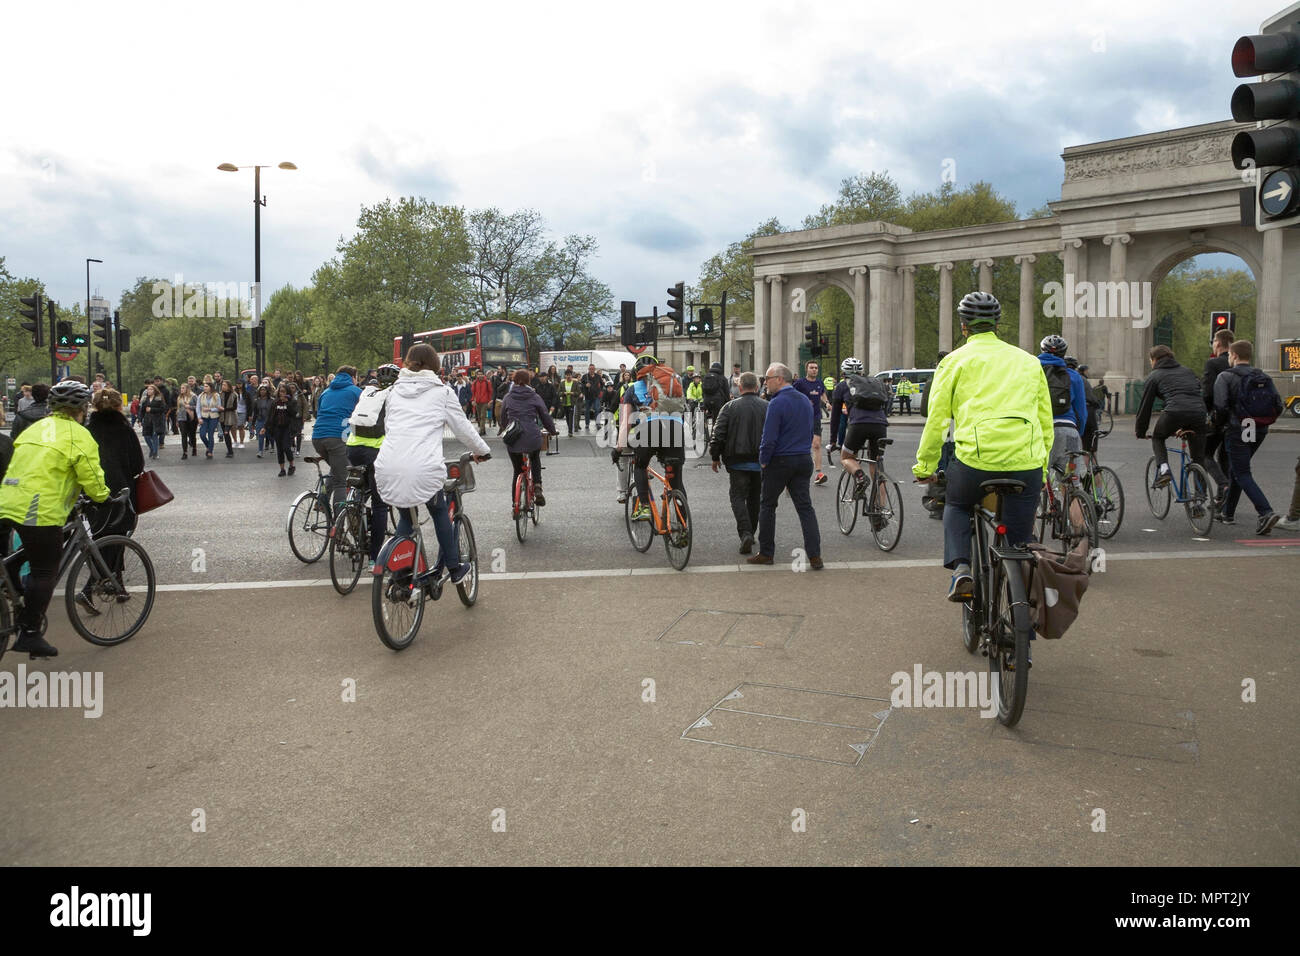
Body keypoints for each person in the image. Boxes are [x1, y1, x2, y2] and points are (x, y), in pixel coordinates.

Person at [913, 292, 1052, 601]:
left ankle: (962, 568)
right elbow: (1045, 425)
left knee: (957, 505)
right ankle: (1025, 607)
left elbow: (936, 422)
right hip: (1026, 464)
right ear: (997, 325)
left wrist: (925, 467)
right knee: (1020, 542)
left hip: (975, 462)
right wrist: (1040, 471)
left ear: (964, 327)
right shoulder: (1029, 361)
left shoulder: (953, 361)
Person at [0, 381, 114, 658]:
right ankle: (29, 632)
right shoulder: (78, 435)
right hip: (39, 508)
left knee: (24, 552)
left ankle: (11, 584)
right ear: (82, 409)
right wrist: (104, 498)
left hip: (7, 499)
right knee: (44, 571)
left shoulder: (35, 428)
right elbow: (91, 476)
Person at [374, 344, 490, 584]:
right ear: (436, 365)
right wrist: (482, 450)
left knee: (407, 517)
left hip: (388, 464)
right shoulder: (442, 392)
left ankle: (399, 573)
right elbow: (463, 429)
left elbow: (390, 427)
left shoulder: (393, 391)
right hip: (423, 467)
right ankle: (454, 567)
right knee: (438, 511)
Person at [748, 363, 823, 569]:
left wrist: (763, 460)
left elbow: (769, 437)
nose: (766, 383)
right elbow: (809, 431)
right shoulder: (805, 401)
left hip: (780, 460)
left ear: (780, 379)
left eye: (768, 379)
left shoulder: (777, 403)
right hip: (803, 458)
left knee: (768, 505)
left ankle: (766, 552)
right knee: (805, 507)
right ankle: (815, 556)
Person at [1213, 339, 1284, 534]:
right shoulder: (1263, 376)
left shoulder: (1225, 376)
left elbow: (1220, 406)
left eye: (1229, 355)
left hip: (1238, 427)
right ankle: (1227, 513)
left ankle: (1265, 512)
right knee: (1239, 469)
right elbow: (1278, 405)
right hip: (1258, 428)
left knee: (1242, 472)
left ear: (1234, 355)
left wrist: (1219, 426)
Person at [1135, 345, 1227, 494]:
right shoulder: (1188, 371)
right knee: (1199, 458)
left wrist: (1140, 431)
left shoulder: (1154, 375)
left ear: (1154, 360)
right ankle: (1199, 498)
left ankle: (1164, 470)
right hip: (1199, 412)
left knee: (1158, 438)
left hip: (1174, 412)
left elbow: (1145, 407)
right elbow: (1196, 391)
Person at [618, 355, 687, 521]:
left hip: (651, 426)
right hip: (675, 427)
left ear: (636, 373)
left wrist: (619, 448)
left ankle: (644, 507)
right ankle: (683, 524)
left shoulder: (633, 388)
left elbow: (626, 422)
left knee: (640, 466)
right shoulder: (672, 383)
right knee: (676, 479)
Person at [709, 371, 768, 554]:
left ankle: (745, 533)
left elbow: (718, 434)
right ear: (757, 387)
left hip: (736, 460)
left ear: (740, 387)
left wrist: (715, 456)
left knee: (737, 497)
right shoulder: (767, 407)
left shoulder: (729, 407)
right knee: (754, 499)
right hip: (759, 461)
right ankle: (751, 531)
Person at [346, 364, 400, 560]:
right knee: (380, 504)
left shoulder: (367, 392)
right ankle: (375, 557)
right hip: (375, 452)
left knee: (360, 489)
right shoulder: (393, 396)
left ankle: (354, 507)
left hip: (352, 447)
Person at [829, 357, 890, 525]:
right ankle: (879, 514)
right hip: (880, 425)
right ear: (862, 372)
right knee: (877, 468)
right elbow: (885, 406)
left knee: (846, 457)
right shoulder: (876, 383)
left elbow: (835, 417)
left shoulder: (842, 386)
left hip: (858, 425)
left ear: (843, 373)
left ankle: (860, 476)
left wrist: (833, 441)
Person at [500, 369, 558, 508]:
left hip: (513, 437)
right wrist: (552, 431)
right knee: (535, 458)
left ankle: (515, 504)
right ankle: (537, 487)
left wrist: (504, 427)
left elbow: (502, 418)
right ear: (528, 381)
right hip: (532, 435)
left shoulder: (508, 397)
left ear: (514, 380)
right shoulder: (534, 396)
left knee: (517, 470)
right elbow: (545, 416)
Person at [312, 366, 362, 511]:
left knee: (337, 468)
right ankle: (338, 522)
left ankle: (321, 502)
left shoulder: (326, 392)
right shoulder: (356, 392)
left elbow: (319, 412)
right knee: (341, 480)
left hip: (317, 437)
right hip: (337, 437)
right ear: (352, 377)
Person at [1037, 335, 1088, 477]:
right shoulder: (1074, 376)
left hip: (1042, 433)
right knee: (1071, 480)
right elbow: (1082, 412)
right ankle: (1074, 497)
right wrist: (1079, 432)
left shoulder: (1032, 371)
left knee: (1037, 481)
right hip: (1069, 431)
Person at [1201, 328, 1234, 495]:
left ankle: (1221, 485)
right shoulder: (1236, 362)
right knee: (1225, 458)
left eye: (1213, 341)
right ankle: (1224, 499)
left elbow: (1207, 393)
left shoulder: (1213, 363)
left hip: (1217, 416)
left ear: (1219, 343)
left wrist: (1204, 414)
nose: (1213, 344)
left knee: (1204, 453)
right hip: (1236, 418)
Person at [791, 360, 830, 485]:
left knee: (817, 445)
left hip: (815, 417)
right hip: (801, 417)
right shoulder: (800, 383)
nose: (814, 370)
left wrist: (827, 403)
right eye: (812, 368)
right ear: (806, 369)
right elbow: (792, 395)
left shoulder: (819, 383)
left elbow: (822, 394)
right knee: (800, 445)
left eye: (816, 368)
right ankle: (793, 472)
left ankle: (818, 474)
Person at [264, 384, 300, 476]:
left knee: (286, 447)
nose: (282, 393)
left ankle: (291, 465)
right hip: (277, 428)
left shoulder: (293, 402)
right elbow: (270, 416)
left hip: (288, 428)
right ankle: (282, 469)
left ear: (287, 392)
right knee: (279, 449)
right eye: (281, 391)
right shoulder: (275, 402)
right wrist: (265, 427)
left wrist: (287, 403)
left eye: (284, 391)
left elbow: (294, 413)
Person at [140, 384, 167, 459]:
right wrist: (139, 419)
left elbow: (163, 409)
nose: (149, 391)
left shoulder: (159, 398)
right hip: (147, 420)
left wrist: (152, 409)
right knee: (146, 436)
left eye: (151, 389)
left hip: (156, 419)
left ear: (155, 390)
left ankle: (155, 452)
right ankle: (152, 448)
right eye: (148, 389)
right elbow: (142, 410)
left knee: (154, 436)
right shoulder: (145, 399)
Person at [176, 383, 199, 459]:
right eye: (181, 388)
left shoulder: (193, 396)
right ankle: (184, 452)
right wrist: (177, 420)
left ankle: (194, 448)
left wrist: (190, 407)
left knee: (192, 435)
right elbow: (178, 408)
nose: (181, 389)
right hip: (181, 418)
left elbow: (198, 407)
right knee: (183, 435)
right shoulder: (180, 397)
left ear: (187, 389)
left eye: (183, 388)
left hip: (191, 417)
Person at [218, 380, 238, 457]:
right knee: (226, 435)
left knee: (226, 432)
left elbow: (234, 407)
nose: (223, 386)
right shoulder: (220, 394)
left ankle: (230, 451)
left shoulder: (234, 395)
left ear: (229, 386)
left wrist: (224, 409)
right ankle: (230, 451)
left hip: (230, 416)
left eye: (224, 385)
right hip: (222, 417)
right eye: (222, 385)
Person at [581, 365, 604, 433]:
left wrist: (599, 390)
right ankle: (587, 424)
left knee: (597, 409)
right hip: (588, 396)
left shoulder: (598, 376)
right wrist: (585, 385)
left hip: (596, 396)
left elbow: (602, 384)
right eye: (590, 369)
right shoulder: (585, 376)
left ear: (595, 369)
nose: (592, 370)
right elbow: (581, 385)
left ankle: (597, 423)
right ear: (588, 369)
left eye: (593, 369)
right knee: (587, 410)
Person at [472, 369, 494, 435]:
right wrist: (472, 400)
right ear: (477, 375)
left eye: (481, 374)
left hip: (485, 402)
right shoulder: (475, 383)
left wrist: (490, 401)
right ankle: (483, 430)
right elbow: (472, 392)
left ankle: (481, 431)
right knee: (479, 417)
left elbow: (490, 392)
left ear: (483, 375)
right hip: (477, 402)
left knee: (483, 416)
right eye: (479, 374)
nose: (480, 375)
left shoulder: (487, 382)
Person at [559, 368, 580, 436]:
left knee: (571, 417)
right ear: (565, 376)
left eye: (570, 375)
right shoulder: (562, 383)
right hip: (565, 403)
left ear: (572, 376)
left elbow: (578, 392)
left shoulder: (575, 383)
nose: (568, 376)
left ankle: (570, 431)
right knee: (567, 418)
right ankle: (569, 428)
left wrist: (572, 393)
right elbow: (558, 393)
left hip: (572, 403)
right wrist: (563, 393)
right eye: (567, 375)